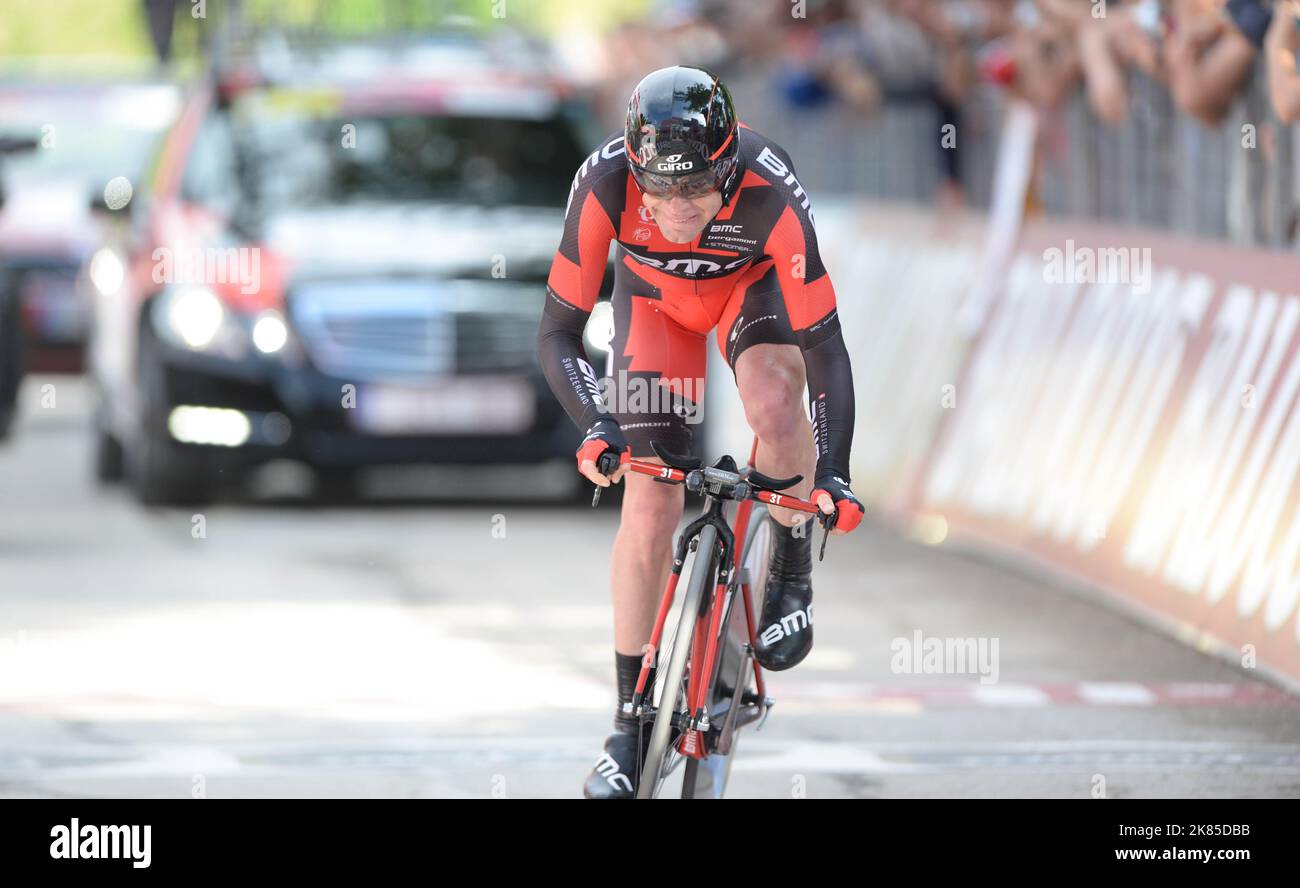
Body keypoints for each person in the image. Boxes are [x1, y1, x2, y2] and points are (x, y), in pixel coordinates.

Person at [535, 65, 864, 798]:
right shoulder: (604, 184)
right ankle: (626, 724)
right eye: (661, 188)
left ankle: (790, 568)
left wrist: (833, 477)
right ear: (635, 169)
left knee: (776, 404)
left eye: (695, 189)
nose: (677, 210)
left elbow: (826, 350)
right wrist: (596, 427)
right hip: (653, 305)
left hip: (750, 292)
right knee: (649, 501)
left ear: (728, 166)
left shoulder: (771, 192)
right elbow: (557, 333)